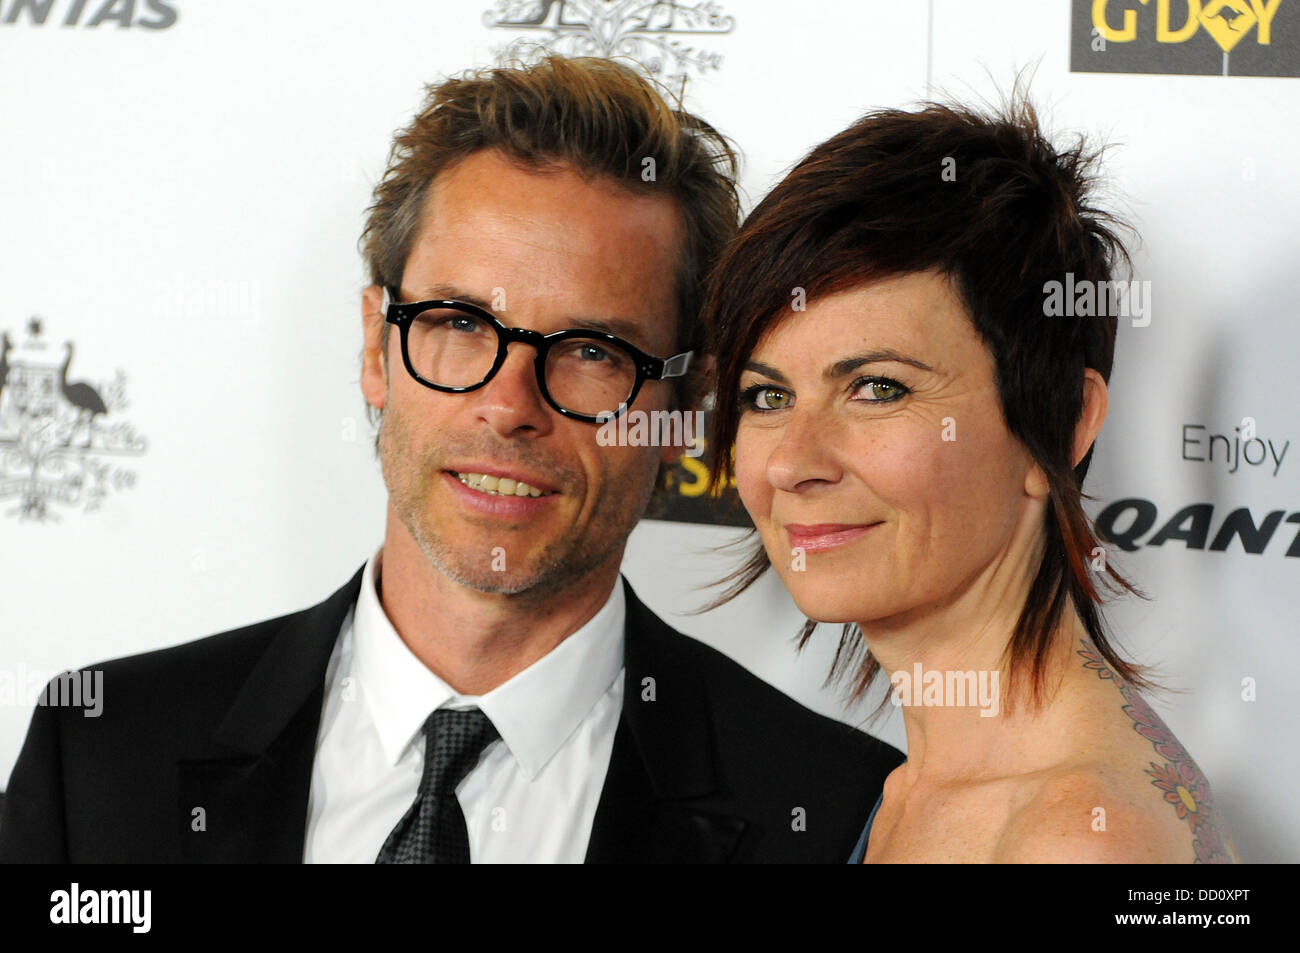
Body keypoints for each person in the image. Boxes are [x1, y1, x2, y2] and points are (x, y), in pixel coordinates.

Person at [0, 56, 902, 864]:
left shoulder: (831, 816)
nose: (509, 407)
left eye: (592, 351)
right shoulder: (102, 755)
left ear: (683, 410)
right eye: (460, 326)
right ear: (373, 346)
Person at [700, 95, 1235, 863]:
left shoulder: (1076, 835)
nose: (791, 460)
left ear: (1056, 422)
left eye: (878, 388)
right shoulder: (920, 789)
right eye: (767, 396)